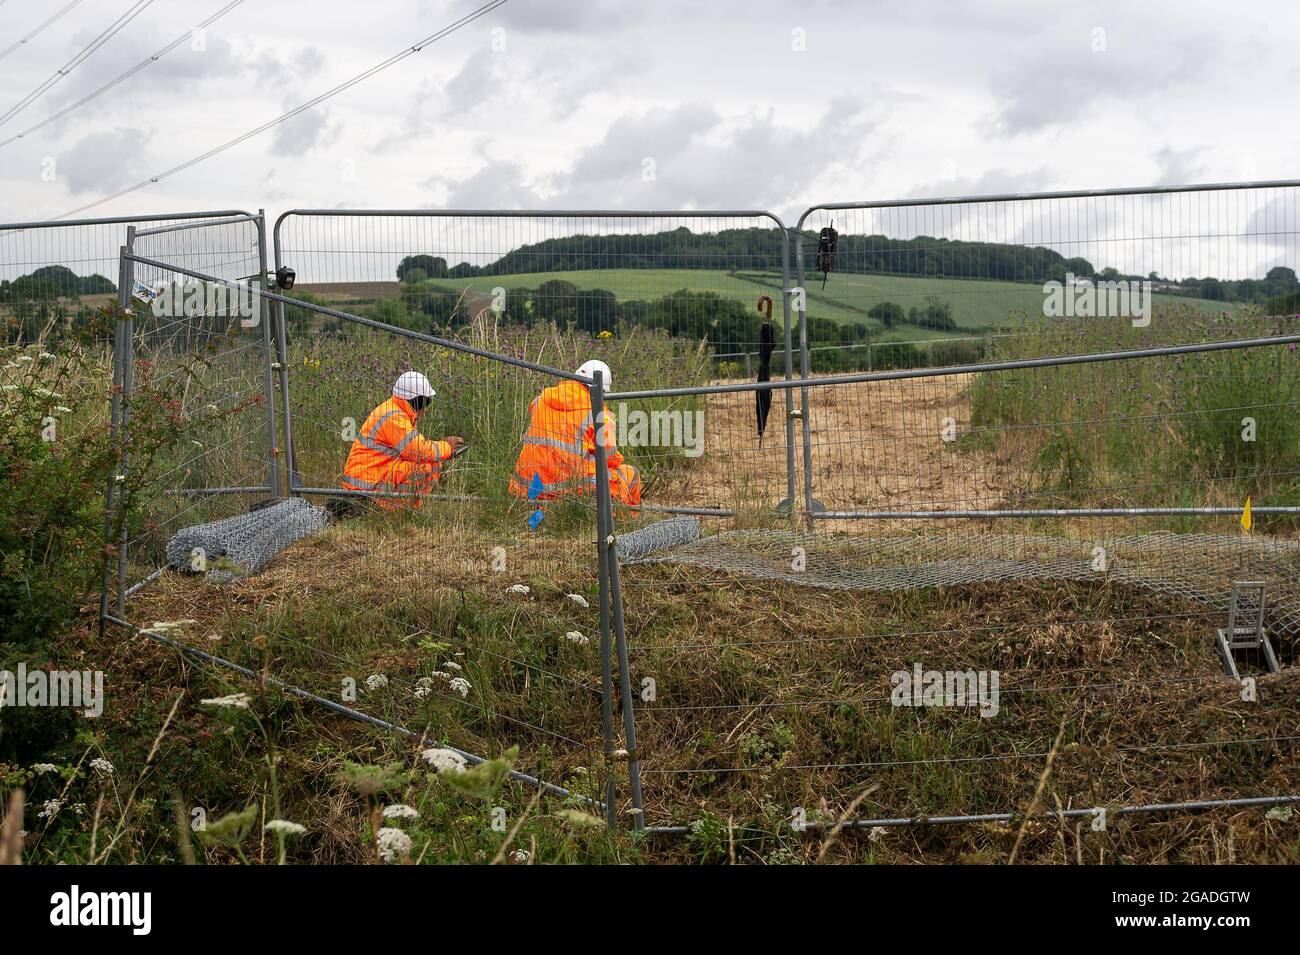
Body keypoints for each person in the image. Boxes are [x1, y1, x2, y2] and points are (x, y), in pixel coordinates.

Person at [509, 359, 641, 506]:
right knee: (630, 474)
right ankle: (622, 523)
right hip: (569, 491)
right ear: (600, 390)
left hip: (527, 489)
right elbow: (610, 458)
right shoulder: (598, 414)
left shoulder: (540, 401)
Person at [341, 371, 464, 507]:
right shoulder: (394, 417)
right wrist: (447, 447)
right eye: (426, 402)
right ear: (417, 401)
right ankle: (395, 510)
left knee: (427, 464)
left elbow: (412, 450)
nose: (426, 408)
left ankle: (391, 507)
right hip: (365, 488)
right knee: (430, 467)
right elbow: (418, 451)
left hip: (369, 479)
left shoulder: (395, 411)